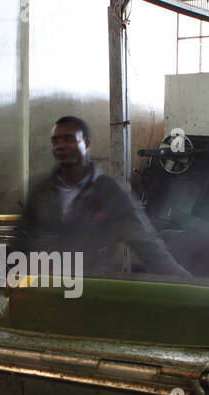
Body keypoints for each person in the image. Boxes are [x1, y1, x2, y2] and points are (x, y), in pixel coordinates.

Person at [15, 115, 191, 277]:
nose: (60, 146)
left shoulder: (109, 192)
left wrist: (188, 285)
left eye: (69, 139)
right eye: (55, 141)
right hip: (47, 287)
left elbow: (147, 244)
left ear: (86, 143)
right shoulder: (42, 190)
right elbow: (21, 238)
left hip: (92, 288)